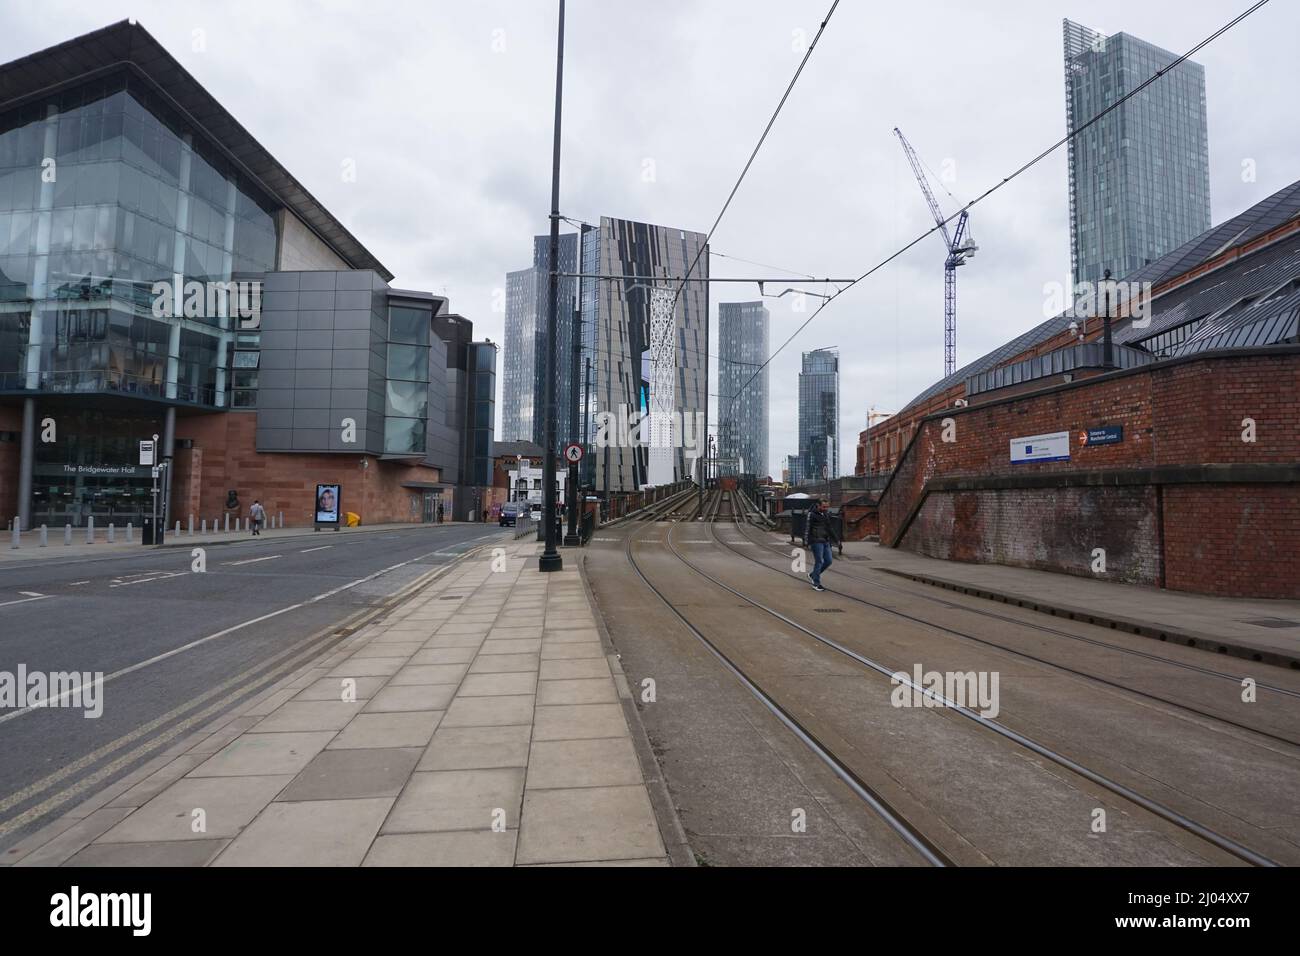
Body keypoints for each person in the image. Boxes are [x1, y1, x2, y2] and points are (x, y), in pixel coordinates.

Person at [803, 498, 839, 592]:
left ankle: (812, 575)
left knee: (828, 561)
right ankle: (816, 583)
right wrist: (806, 541)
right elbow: (807, 528)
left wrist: (836, 540)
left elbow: (830, 527)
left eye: (827, 507)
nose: (825, 508)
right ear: (818, 505)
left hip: (826, 541)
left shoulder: (826, 514)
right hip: (816, 541)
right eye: (824, 507)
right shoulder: (811, 514)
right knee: (819, 561)